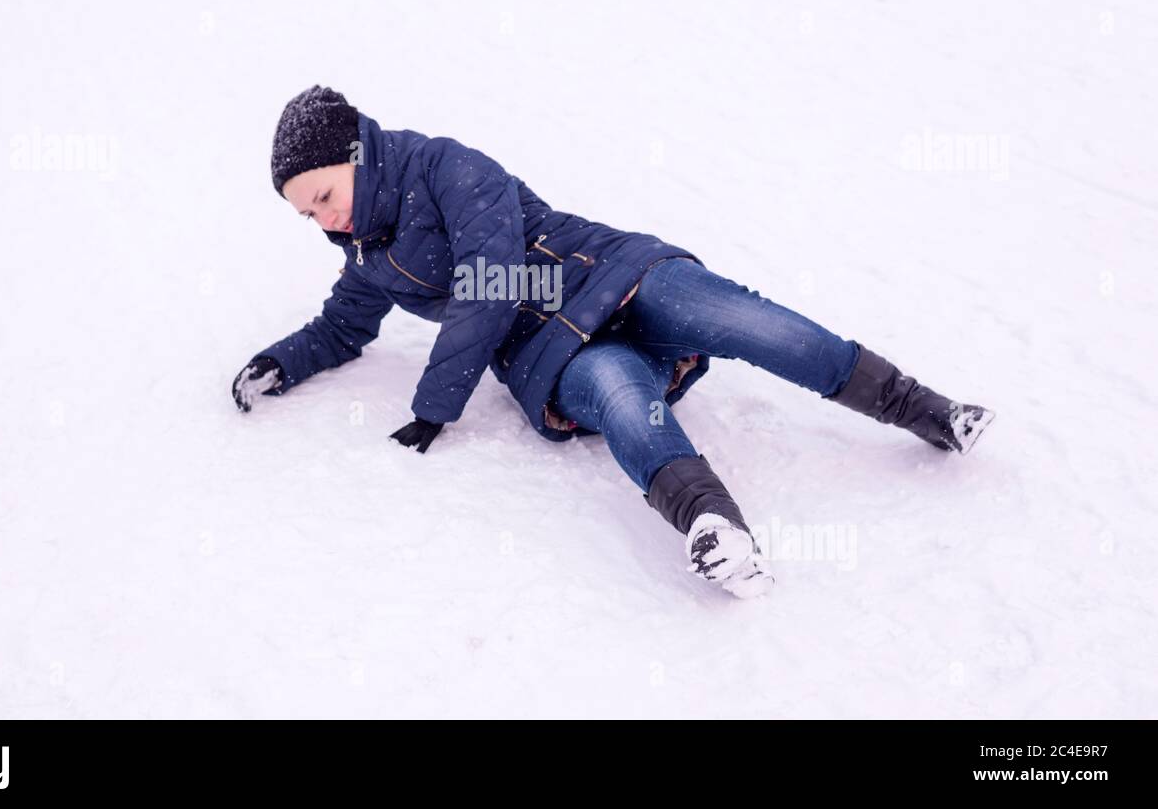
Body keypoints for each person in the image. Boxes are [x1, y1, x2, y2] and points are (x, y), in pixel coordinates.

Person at [232, 86, 995, 599]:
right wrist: (280, 360)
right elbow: (340, 326)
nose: (325, 220)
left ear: (359, 155)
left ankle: (929, 409)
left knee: (748, 322)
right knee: (622, 395)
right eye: (309, 216)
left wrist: (436, 404)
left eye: (325, 196)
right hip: (547, 353)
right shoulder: (368, 256)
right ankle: (714, 527)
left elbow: (491, 279)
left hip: (611, 271)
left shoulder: (446, 168)